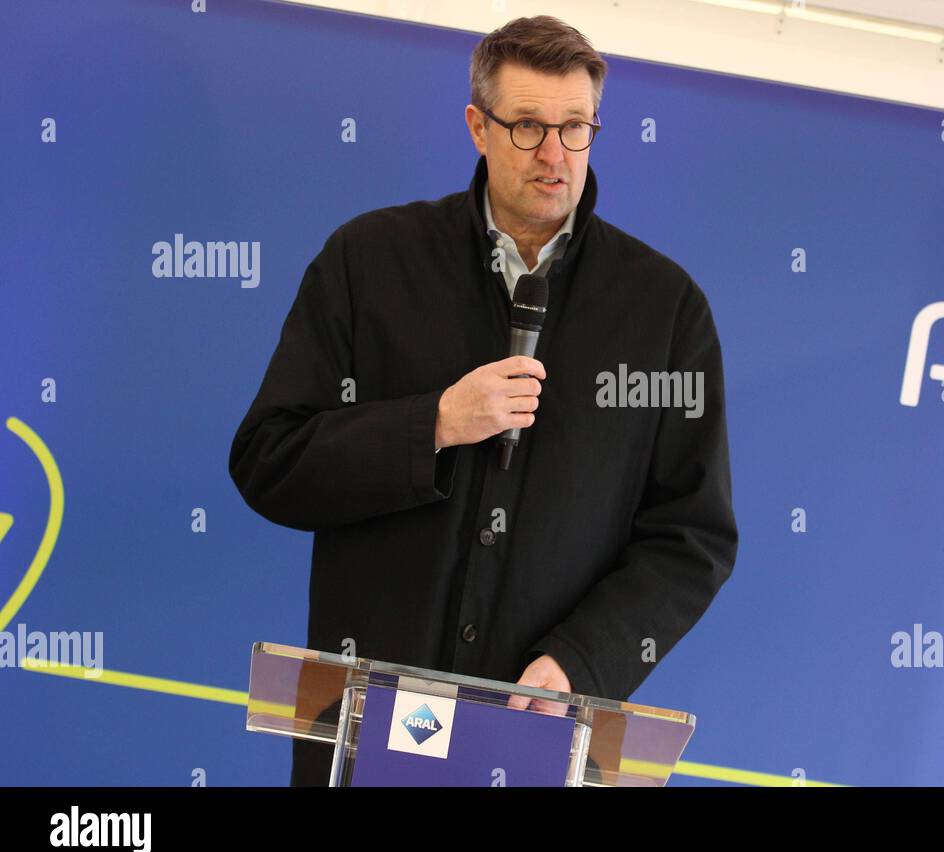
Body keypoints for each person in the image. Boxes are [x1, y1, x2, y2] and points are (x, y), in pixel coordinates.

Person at [228, 15, 738, 786]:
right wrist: (430, 425)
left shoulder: (666, 312)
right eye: (528, 126)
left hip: (539, 741)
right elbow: (269, 461)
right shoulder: (368, 263)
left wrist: (581, 660)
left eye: (575, 128)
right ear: (478, 126)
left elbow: (691, 537)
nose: (554, 155)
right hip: (368, 737)